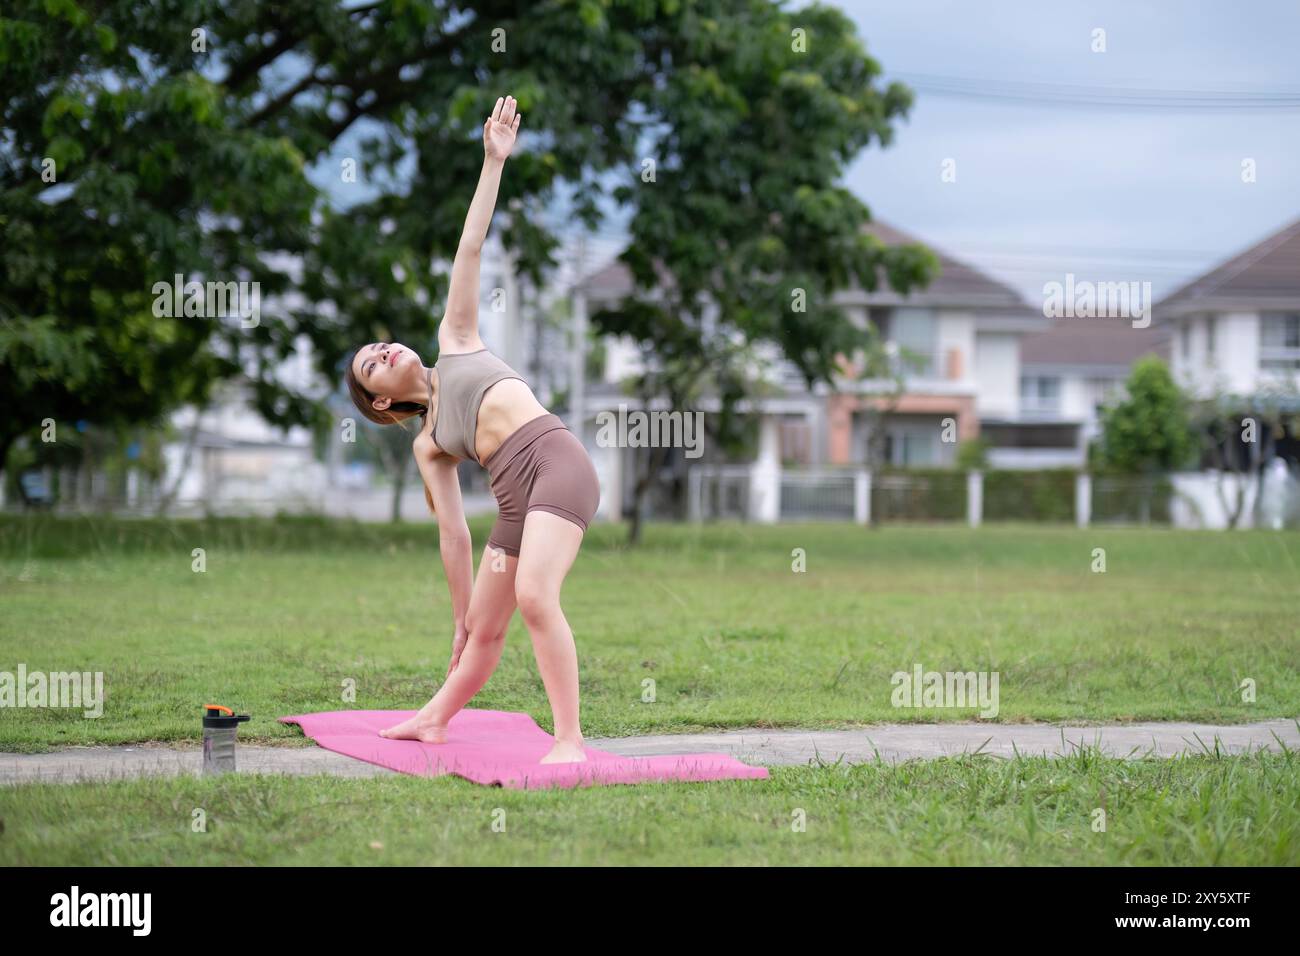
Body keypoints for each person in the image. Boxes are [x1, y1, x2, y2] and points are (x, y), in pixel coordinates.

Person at [342, 95, 600, 764]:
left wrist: (493, 162)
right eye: (373, 363)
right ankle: (433, 719)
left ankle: (570, 740)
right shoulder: (430, 447)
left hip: (558, 465)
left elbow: (471, 245)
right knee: (485, 630)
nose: (386, 351)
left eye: (381, 345)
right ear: (377, 402)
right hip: (516, 502)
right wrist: (462, 617)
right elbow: (454, 535)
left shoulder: (454, 337)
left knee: (537, 597)